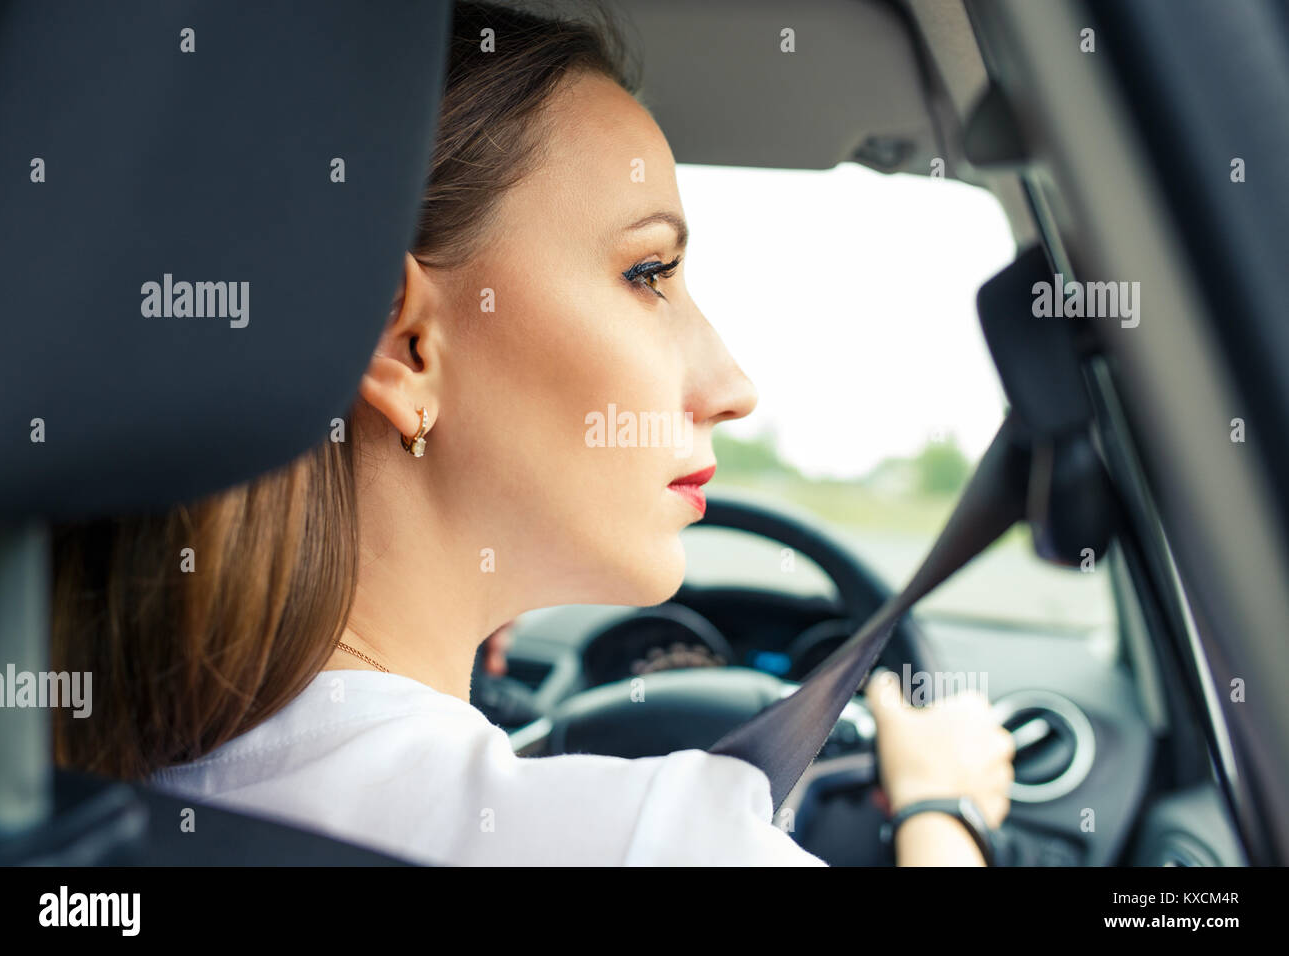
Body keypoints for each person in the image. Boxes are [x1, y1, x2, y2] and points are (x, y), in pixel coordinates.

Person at [51, 0, 1014, 866]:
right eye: (647, 274)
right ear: (403, 342)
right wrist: (941, 806)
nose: (734, 386)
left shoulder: (80, 798)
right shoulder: (661, 845)